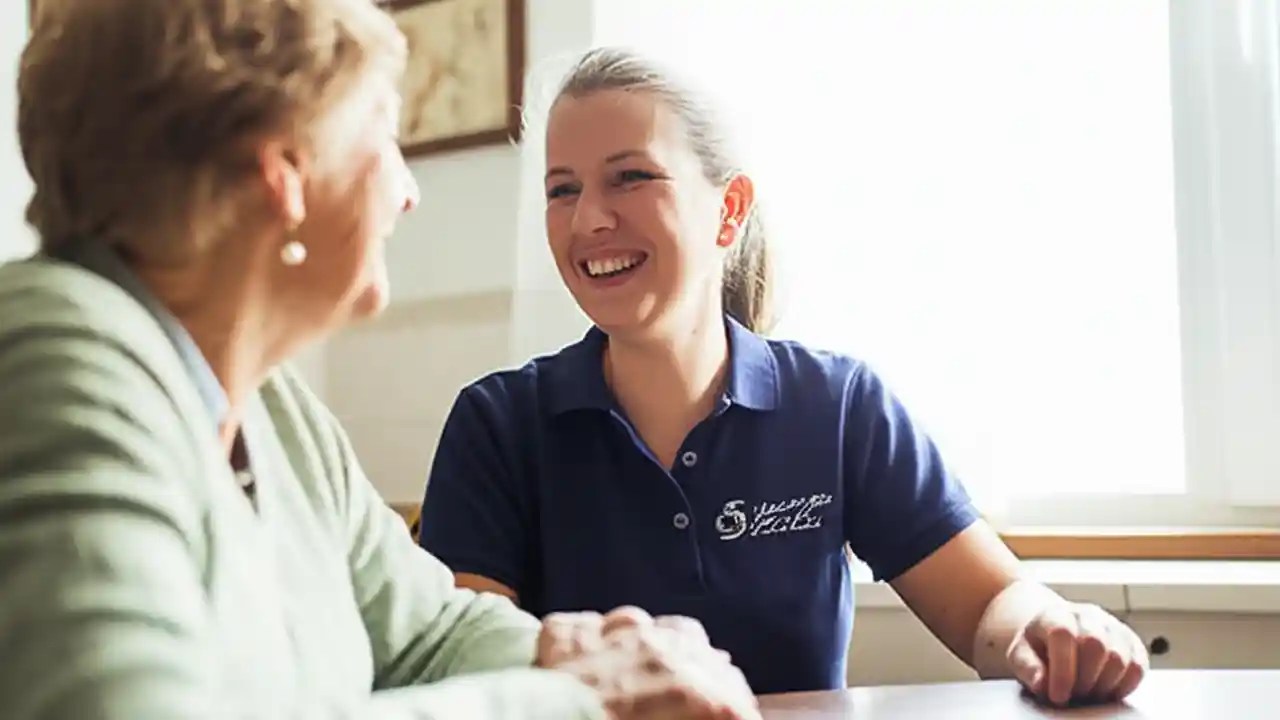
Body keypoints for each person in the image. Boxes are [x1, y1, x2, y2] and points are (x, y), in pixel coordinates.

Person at [0, 3, 761, 719]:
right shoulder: (52, 357)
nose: (407, 193)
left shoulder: (276, 410)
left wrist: (599, 654)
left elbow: (427, 635)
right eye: (383, 135)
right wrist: (571, 698)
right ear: (286, 178)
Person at [418, 46, 1150, 706]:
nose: (588, 222)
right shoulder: (497, 424)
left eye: (630, 177)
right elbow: (471, 679)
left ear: (729, 210)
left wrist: (1054, 629)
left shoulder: (837, 406)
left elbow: (993, 611)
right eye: (562, 190)